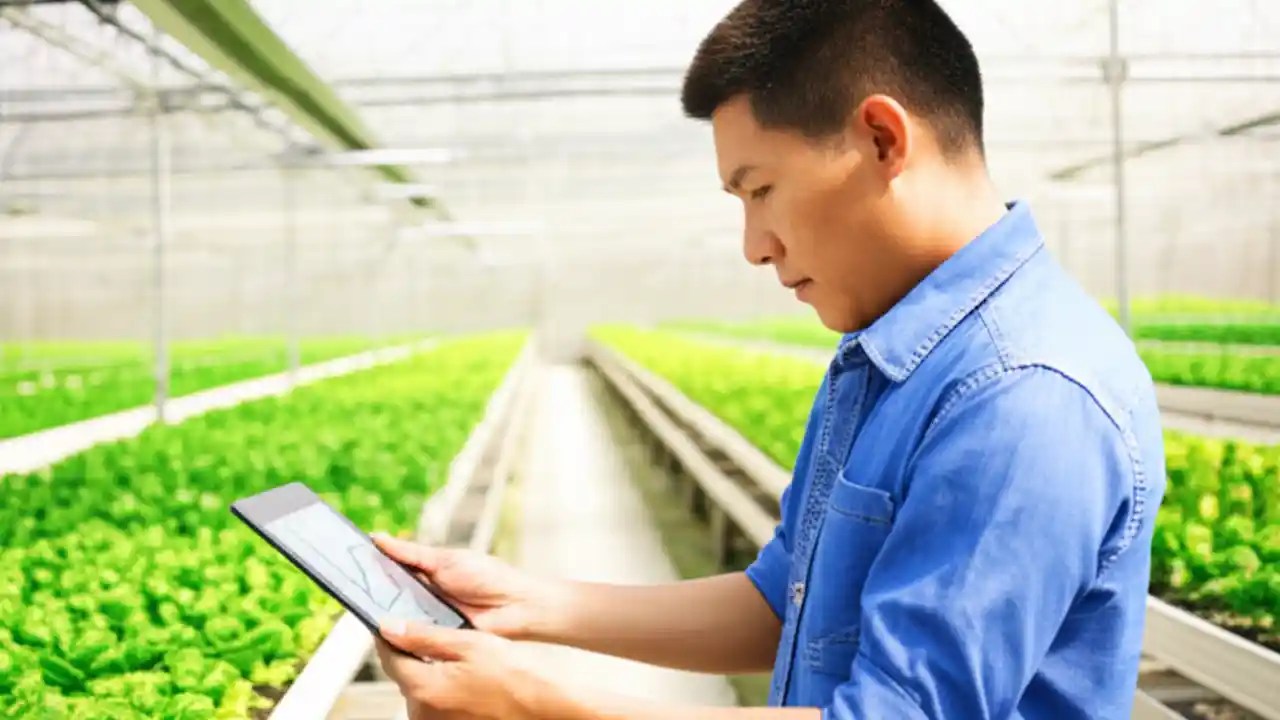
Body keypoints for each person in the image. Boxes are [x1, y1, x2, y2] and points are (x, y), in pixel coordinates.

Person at [370, 0, 1167, 718]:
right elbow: (785, 601)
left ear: (882, 139)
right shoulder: (887, 356)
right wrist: (532, 604)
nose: (755, 247)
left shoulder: (1022, 396)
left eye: (760, 191)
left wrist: (534, 703)